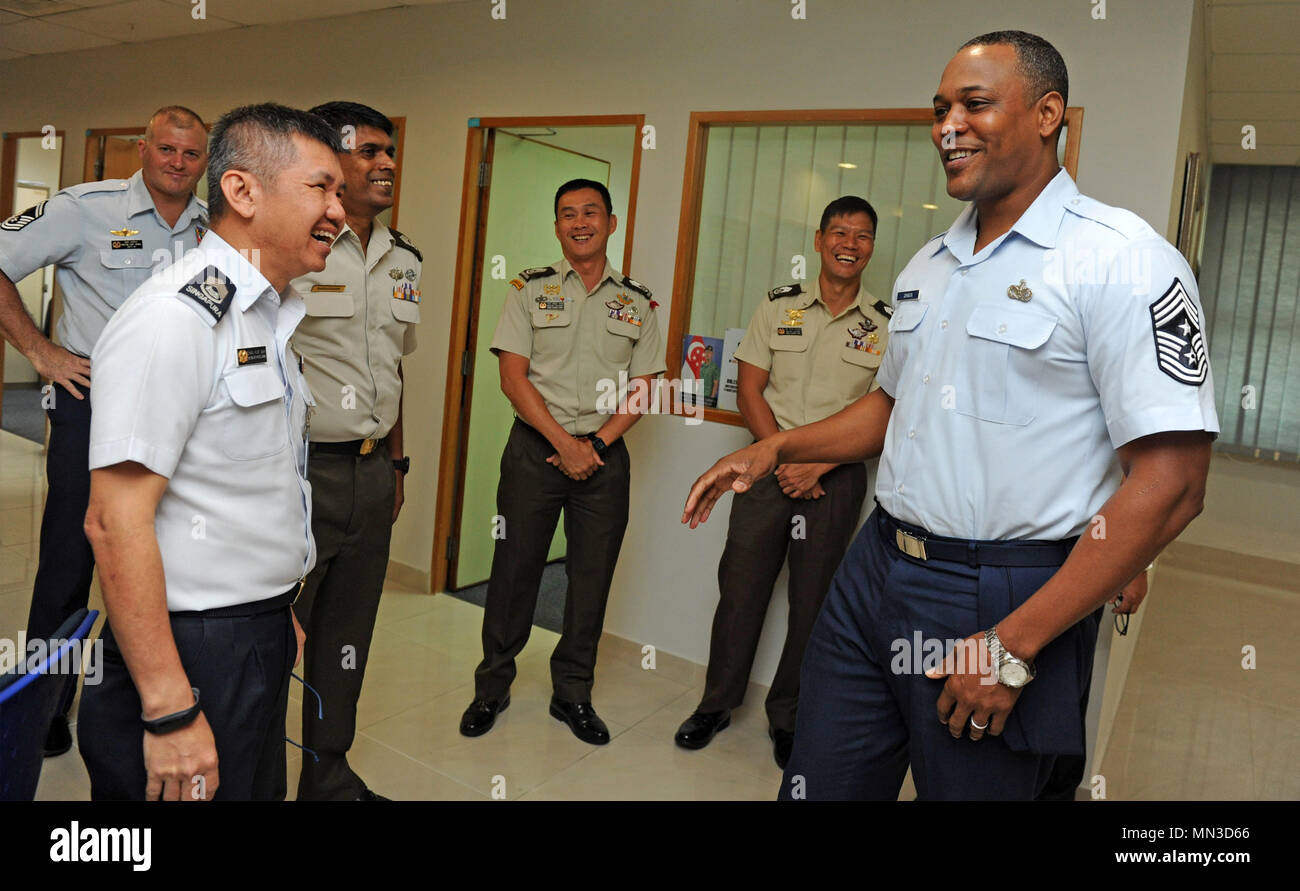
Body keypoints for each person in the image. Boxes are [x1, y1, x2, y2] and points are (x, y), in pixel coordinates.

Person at [683, 30, 1218, 800]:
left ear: (1047, 113)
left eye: (974, 104)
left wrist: (1014, 644)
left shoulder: (1122, 259)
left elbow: (1173, 482)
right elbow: (891, 408)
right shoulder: (928, 263)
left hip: (1005, 594)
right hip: (875, 568)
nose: (946, 126)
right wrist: (776, 449)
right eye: (939, 109)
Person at [77, 103, 346, 800]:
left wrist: (271, 595)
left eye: (339, 193)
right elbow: (114, 522)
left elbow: (248, 480)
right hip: (190, 651)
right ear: (243, 192)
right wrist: (169, 709)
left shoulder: (264, 313)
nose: (339, 211)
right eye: (321, 188)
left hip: (252, 631)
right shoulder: (175, 319)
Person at [0, 106, 209, 757]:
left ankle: (145, 703)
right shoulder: (83, 209)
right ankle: (41, 713)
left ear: (205, 162)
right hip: (92, 408)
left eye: (192, 154)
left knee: (163, 563)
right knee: (68, 566)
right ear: (142, 149)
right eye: (167, 149)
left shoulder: (213, 228)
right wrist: (41, 352)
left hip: (178, 418)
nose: (178, 162)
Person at [674, 197, 891, 768]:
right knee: (740, 591)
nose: (849, 243)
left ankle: (790, 717)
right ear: (818, 239)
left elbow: (885, 412)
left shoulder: (886, 325)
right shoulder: (778, 307)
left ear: (872, 246)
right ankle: (715, 704)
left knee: (813, 605)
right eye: (839, 232)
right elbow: (749, 390)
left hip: (834, 478)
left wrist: (816, 464)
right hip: (762, 472)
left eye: (862, 235)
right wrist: (777, 457)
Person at [460, 178, 665, 744]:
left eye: (591, 213)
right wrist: (564, 443)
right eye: (568, 214)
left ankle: (572, 693)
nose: (580, 223)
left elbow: (646, 385)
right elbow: (511, 376)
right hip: (534, 449)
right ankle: (492, 687)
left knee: (591, 578)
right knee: (514, 570)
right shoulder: (529, 288)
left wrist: (595, 445)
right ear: (557, 226)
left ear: (611, 222)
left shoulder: (638, 300)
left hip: (605, 457)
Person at [289, 101, 419, 801]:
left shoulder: (405, 258)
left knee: (347, 637)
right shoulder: (294, 246)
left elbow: (396, 367)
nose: (385, 163)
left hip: (372, 472)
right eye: (368, 151)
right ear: (329, 158)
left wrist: (396, 463)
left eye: (389, 151)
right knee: (268, 634)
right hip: (301, 470)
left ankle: (327, 776)